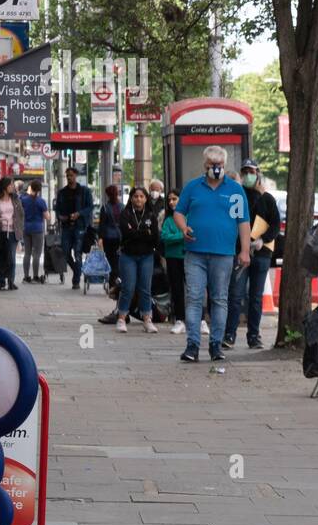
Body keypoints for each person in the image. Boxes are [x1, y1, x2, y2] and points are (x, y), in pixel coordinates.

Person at [172, 146, 251, 363]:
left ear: (224, 166)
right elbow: (178, 212)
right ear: (205, 165)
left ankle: (216, 344)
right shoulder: (193, 187)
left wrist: (244, 250)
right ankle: (193, 345)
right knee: (195, 298)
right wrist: (183, 227)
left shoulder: (235, 190)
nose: (215, 169)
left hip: (223, 253)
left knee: (219, 299)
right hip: (195, 253)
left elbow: (243, 222)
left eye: (219, 166)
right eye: (211, 166)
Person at [223, 159, 280, 351]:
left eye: (251, 171)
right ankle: (229, 334)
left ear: (258, 174)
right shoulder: (238, 198)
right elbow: (232, 223)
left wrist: (263, 239)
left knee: (255, 297)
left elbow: (275, 224)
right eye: (245, 171)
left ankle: (253, 336)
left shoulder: (267, 199)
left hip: (261, 253)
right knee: (235, 294)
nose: (248, 175)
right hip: (241, 253)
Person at [100, 185, 162, 332]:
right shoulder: (125, 214)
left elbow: (154, 237)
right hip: (128, 256)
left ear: (146, 198)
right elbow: (126, 234)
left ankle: (147, 319)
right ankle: (121, 318)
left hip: (146, 255)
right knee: (128, 287)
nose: (138, 199)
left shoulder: (151, 215)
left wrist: (137, 232)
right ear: (131, 198)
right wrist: (143, 233)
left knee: (145, 288)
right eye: (135, 196)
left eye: (141, 196)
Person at [54, 167, 94, 289]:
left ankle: (76, 281)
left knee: (77, 253)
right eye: (67, 176)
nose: (69, 178)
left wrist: (79, 214)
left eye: (71, 175)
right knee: (65, 252)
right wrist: (60, 217)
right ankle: (77, 271)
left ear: (76, 176)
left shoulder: (84, 191)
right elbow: (57, 208)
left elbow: (90, 207)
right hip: (66, 226)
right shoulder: (62, 192)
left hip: (79, 226)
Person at [0, 176, 24, 290]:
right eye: (10, 184)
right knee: (1, 257)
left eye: (13, 185)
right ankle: (2, 281)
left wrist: (20, 228)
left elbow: (21, 214)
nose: (12, 187)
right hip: (0, 232)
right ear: (4, 186)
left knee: (11, 257)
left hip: (13, 232)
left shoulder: (16, 199)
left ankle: (10, 280)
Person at [161, 190, 188, 337]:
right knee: (177, 290)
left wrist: (176, 236)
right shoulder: (167, 220)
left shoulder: (189, 216)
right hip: (172, 257)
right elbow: (165, 236)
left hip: (188, 257)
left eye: (174, 199)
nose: (171, 202)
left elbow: (191, 233)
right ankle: (180, 320)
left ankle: (200, 320)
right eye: (169, 200)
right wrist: (182, 235)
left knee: (193, 289)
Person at [20, 180, 51, 284]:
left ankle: (26, 277)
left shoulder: (23, 200)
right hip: (37, 229)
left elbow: (20, 212)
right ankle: (35, 277)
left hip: (26, 228)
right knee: (36, 254)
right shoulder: (41, 201)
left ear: (30, 187)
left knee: (27, 253)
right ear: (39, 190)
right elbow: (47, 217)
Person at [98, 184, 124, 288]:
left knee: (109, 259)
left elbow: (102, 224)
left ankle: (112, 283)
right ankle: (117, 280)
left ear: (107, 195)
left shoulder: (104, 208)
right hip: (120, 237)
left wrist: (100, 238)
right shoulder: (122, 206)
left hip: (108, 237)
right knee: (118, 259)